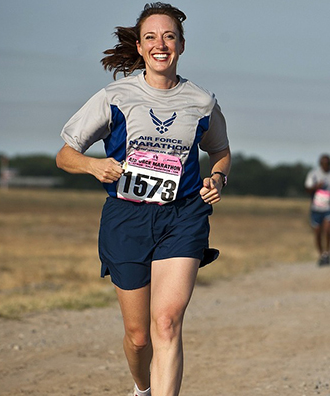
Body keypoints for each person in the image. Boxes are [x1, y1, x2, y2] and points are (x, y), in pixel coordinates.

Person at [55, 4, 231, 396]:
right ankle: (142, 388)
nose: (160, 44)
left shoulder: (201, 102)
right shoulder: (115, 96)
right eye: (151, 37)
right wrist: (94, 167)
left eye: (169, 36)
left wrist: (218, 177)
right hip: (126, 218)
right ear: (139, 46)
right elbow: (65, 155)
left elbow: (220, 150)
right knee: (138, 337)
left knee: (166, 323)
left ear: (181, 45)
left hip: (182, 216)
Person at [304, 154, 330, 266]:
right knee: (318, 232)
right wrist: (316, 187)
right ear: (320, 164)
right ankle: (321, 254)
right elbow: (307, 189)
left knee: (328, 229)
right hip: (316, 207)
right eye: (323, 164)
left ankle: (327, 252)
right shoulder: (313, 174)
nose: (326, 166)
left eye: (328, 163)